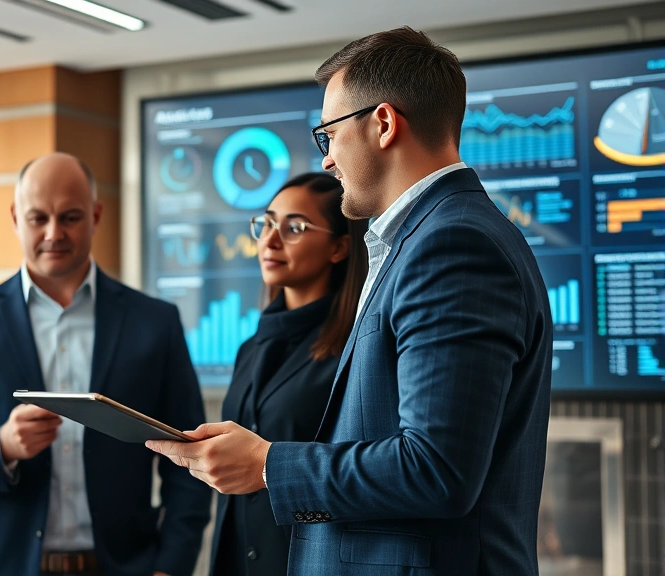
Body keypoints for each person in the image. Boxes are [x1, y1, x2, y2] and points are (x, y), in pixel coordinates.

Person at [147, 26, 553, 576]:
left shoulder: (453, 245)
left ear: (383, 124)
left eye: (329, 134)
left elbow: (436, 469)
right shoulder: (427, 238)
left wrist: (269, 465)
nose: (329, 160)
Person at [0, 152, 211, 576]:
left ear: (96, 216)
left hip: (126, 566)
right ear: (16, 217)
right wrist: (1, 445)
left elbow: (192, 453)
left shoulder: (155, 322)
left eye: (70, 217)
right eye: (38, 218)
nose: (53, 233)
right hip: (0, 565)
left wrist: (171, 566)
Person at [209, 172, 367, 576]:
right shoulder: (252, 348)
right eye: (266, 223)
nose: (270, 239)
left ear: (339, 247)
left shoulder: (355, 347)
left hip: (310, 562)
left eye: (294, 227)